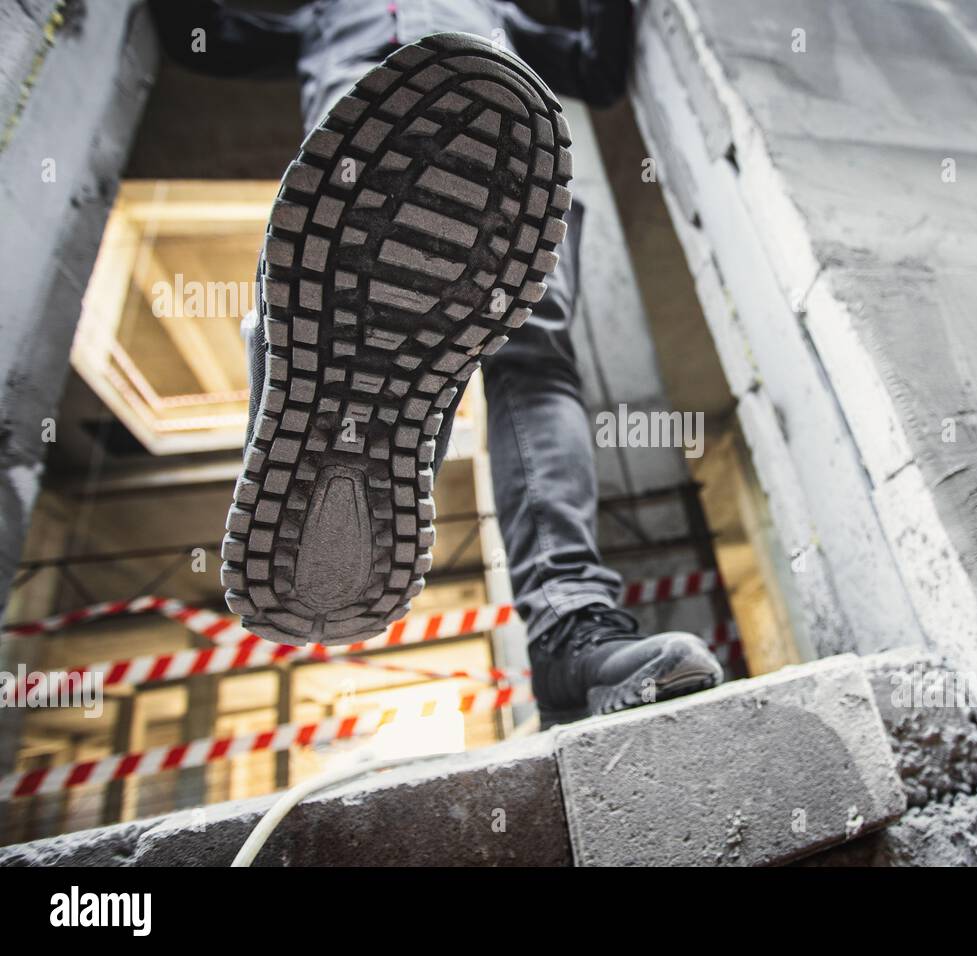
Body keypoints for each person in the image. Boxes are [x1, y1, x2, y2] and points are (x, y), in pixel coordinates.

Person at [147, 0, 721, 727]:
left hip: (511, 193)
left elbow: (598, 68)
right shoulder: (325, 9)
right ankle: (308, 419)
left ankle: (573, 633)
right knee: (310, 301)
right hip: (352, 178)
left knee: (537, 362)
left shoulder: (496, 8)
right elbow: (204, 38)